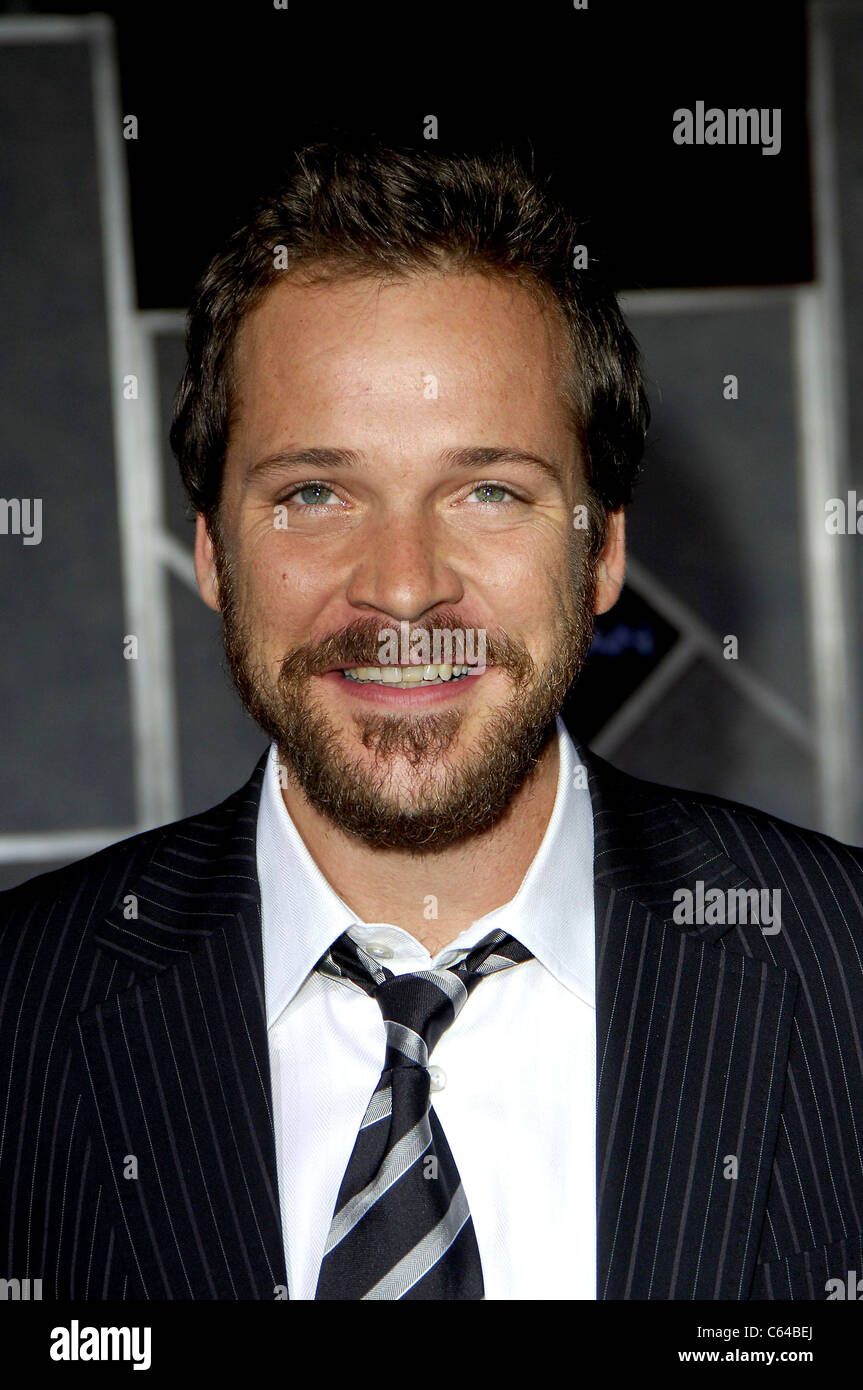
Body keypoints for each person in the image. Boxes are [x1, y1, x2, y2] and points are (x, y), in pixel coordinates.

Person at [2, 141, 862, 1301]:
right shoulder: (21, 1016)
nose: (402, 588)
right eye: (314, 492)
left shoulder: (838, 975)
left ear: (600, 546)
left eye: (488, 491)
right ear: (212, 550)